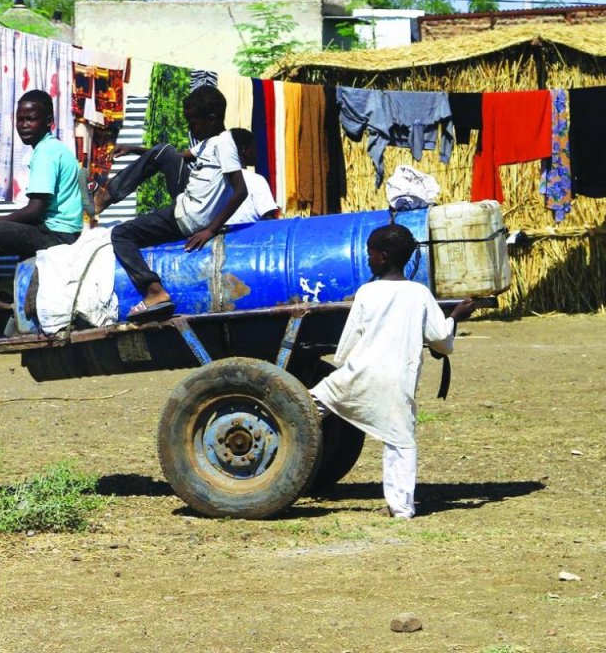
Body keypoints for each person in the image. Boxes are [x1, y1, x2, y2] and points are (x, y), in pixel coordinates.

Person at [309, 224, 475, 518]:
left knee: (306, 409)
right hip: (397, 380)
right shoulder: (419, 294)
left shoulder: (367, 292)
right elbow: (442, 342)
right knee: (400, 441)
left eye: (370, 253)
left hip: (357, 375)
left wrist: (345, 361)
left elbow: (347, 345)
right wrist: (455, 317)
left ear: (383, 257)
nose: (368, 259)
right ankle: (401, 508)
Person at [0, 89, 84, 348]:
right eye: (20, 119)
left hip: (56, 234)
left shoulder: (46, 153)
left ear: (48, 121)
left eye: (30, 119)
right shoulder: (51, 149)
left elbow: (35, 211)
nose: (24, 125)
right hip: (57, 229)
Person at [103, 84, 247, 322]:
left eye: (193, 123)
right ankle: (107, 195)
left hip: (189, 215)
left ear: (211, 119)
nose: (191, 129)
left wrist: (211, 229)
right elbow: (168, 157)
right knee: (165, 151)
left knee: (120, 234)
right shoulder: (209, 142)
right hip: (187, 203)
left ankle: (153, 291)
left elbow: (240, 191)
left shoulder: (224, 143)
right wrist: (134, 150)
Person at [95, 128, 279, 227]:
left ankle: (107, 196)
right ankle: (107, 196)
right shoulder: (256, 180)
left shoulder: (213, 155)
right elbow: (270, 221)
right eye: (255, 147)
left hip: (194, 215)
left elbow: (169, 156)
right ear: (244, 150)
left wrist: (134, 149)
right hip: (202, 219)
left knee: (165, 150)